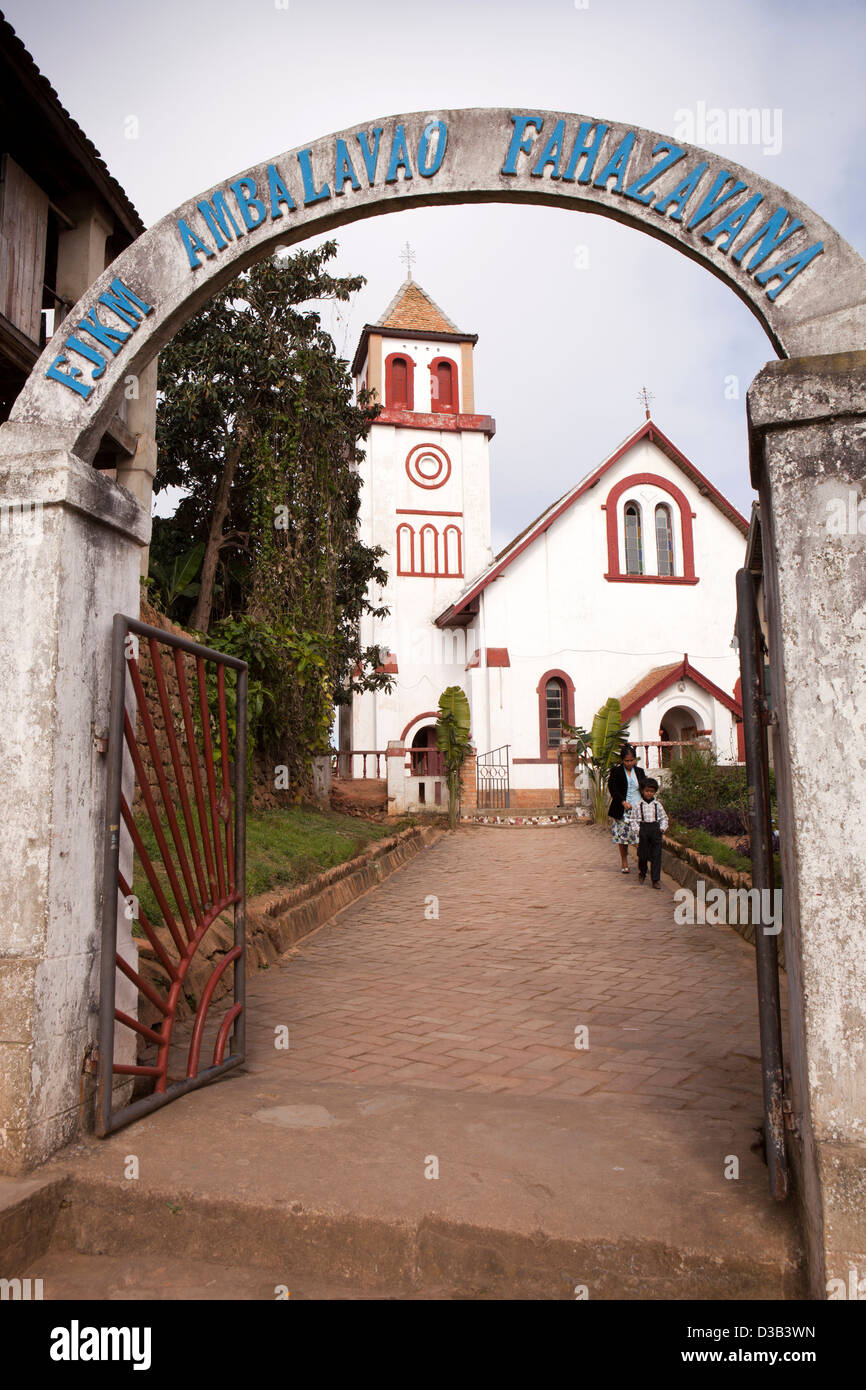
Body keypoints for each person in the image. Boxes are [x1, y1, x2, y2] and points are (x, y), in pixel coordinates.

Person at [607, 744, 646, 873]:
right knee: (623, 837)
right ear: (622, 761)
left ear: (635, 759)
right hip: (622, 809)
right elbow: (613, 789)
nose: (629, 763)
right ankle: (624, 861)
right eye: (626, 761)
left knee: (639, 836)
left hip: (637, 809)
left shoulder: (640, 772)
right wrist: (623, 801)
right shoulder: (616, 772)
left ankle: (643, 862)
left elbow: (644, 788)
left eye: (631, 760)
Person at [629, 778, 669, 888]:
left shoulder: (658, 805)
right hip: (644, 830)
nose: (649, 793)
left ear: (655, 792)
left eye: (652, 791)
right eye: (647, 791)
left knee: (656, 856)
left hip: (655, 830)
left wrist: (662, 828)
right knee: (642, 855)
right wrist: (638, 830)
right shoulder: (638, 805)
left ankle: (655, 880)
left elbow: (664, 818)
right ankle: (642, 872)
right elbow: (633, 820)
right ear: (642, 791)